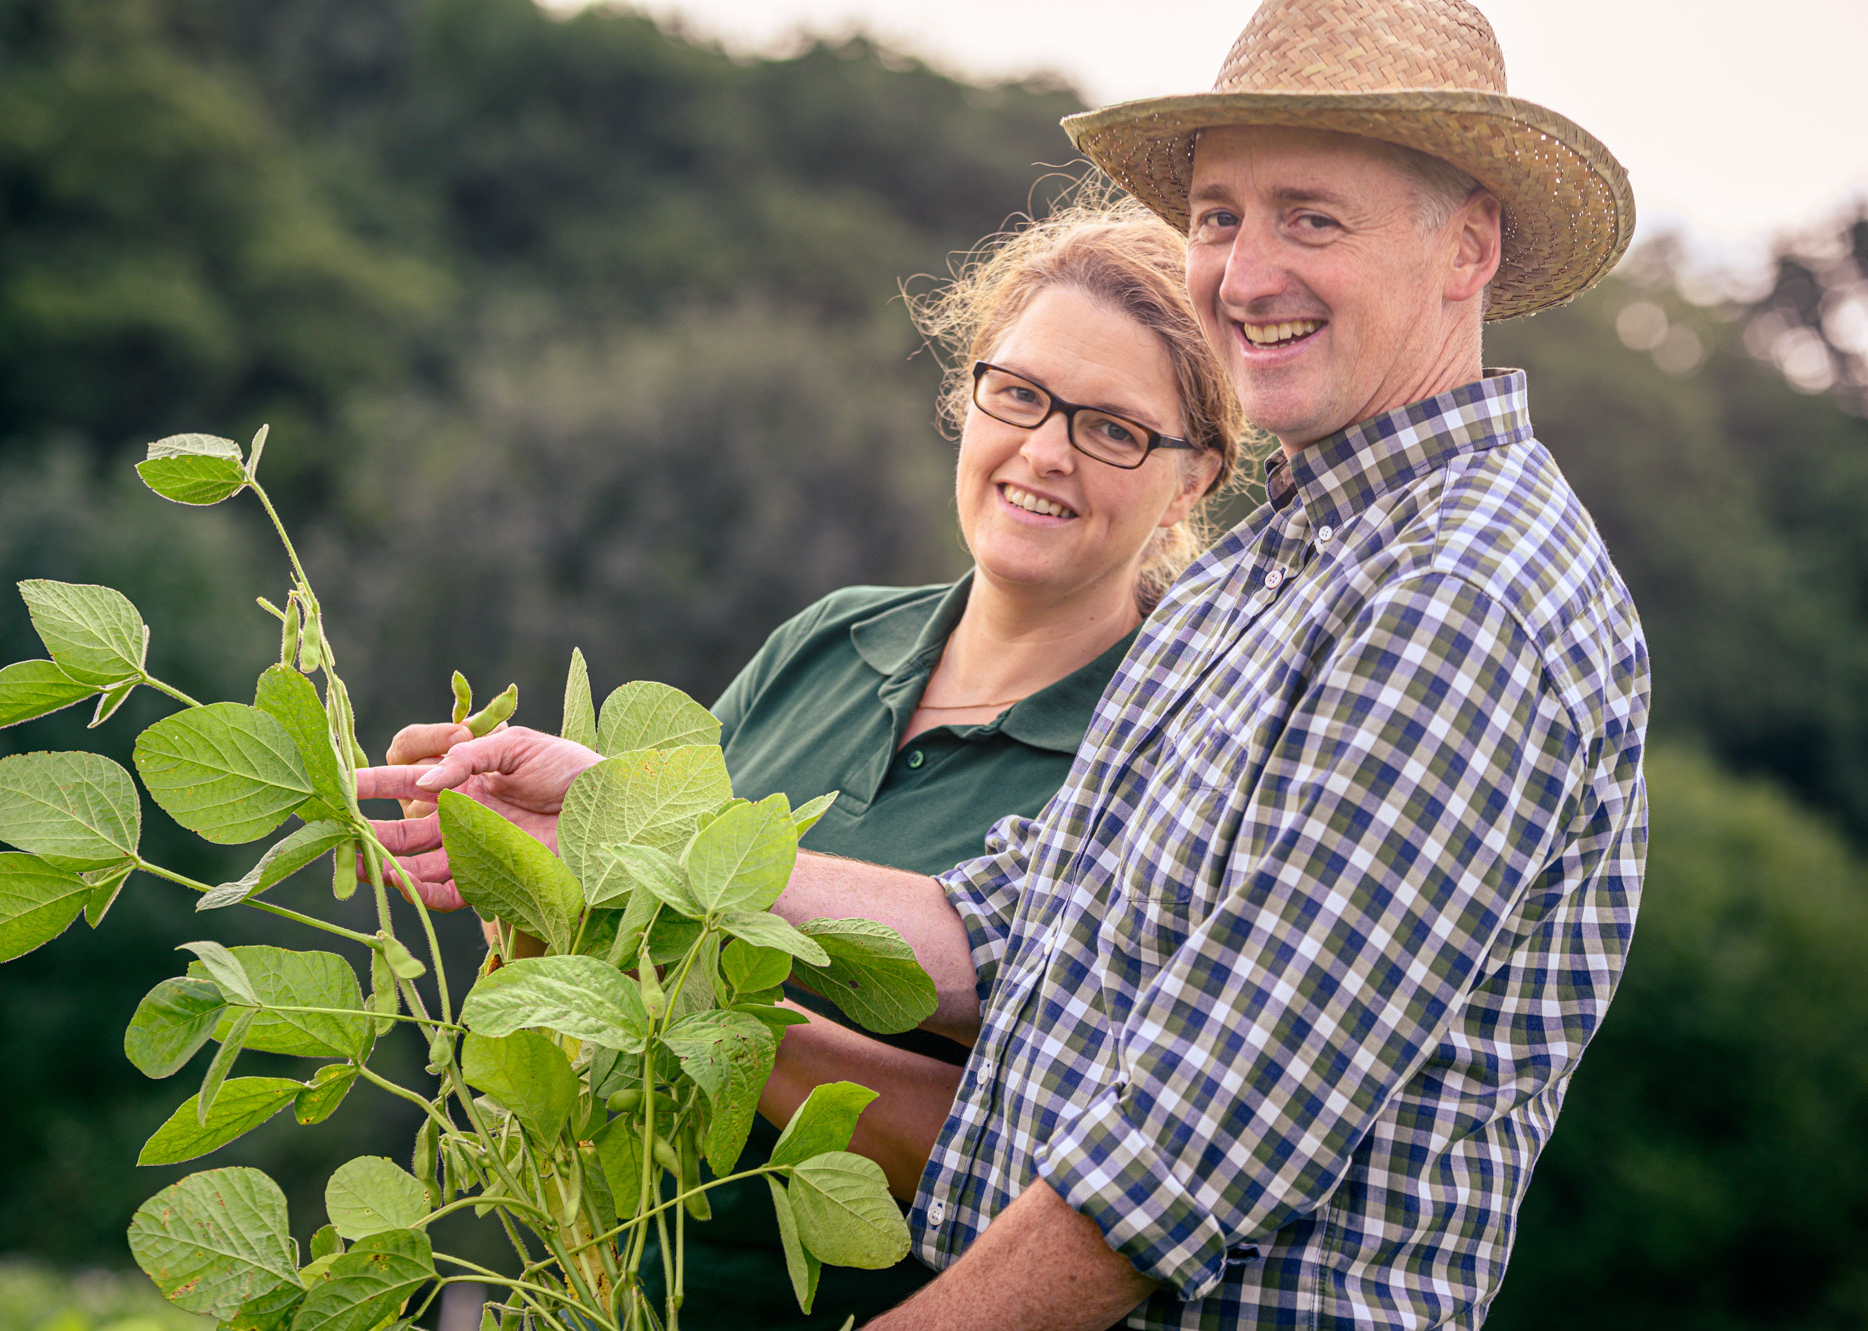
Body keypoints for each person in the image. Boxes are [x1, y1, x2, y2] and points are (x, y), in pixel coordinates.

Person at [363, 0, 1652, 1324]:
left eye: (1312, 217)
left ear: (1471, 243)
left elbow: (1187, 1149)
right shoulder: (1267, 573)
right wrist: (609, 825)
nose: (1248, 272)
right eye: (1220, 214)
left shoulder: (1455, 590)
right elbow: (1025, 923)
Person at [368, 196, 1244, 1327]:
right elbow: (598, 1040)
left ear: (1192, 476)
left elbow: (1075, 1182)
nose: (1043, 451)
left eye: (1111, 427)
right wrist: (535, 875)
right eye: (1017, 394)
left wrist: (705, 993)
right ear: (966, 394)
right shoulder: (827, 642)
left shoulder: (1183, 742)